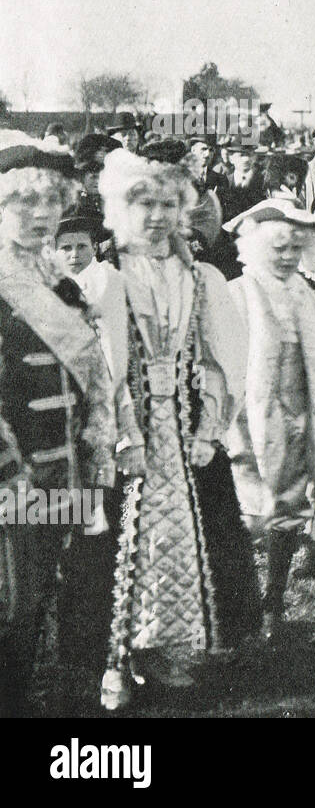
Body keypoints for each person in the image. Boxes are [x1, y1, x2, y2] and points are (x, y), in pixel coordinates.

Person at [97, 145, 259, 692]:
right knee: (120, 540)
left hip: (188, 429)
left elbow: (222, 356)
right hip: (131, 430)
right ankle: (117, 657)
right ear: (124, 210)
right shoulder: (110, 275)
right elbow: (106, 364)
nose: (157, 216)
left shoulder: (201, 276)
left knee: (198, 535)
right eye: (144, 204)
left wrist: (211, 428)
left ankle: (177, 647)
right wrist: (125, 433)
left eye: (168, 204)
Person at [0, 136, 119, 715]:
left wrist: (98, 446)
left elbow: (93, 373)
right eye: (26, 203)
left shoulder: (56, 278)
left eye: (52, 201)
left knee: (73, 591)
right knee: (16, 604)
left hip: (73, 467)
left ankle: (73, 706)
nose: (42, 214)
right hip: (17, 480)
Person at [225, 201, 315, 640]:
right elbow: (224, 365)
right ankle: (234, 606)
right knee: (245, 516)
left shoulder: (305, 296)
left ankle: (273, 601)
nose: (286, 257)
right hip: (246, 421)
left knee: (288, 512)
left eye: (294, 250)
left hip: (298, 420)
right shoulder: (237, 292)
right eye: (278, 249)